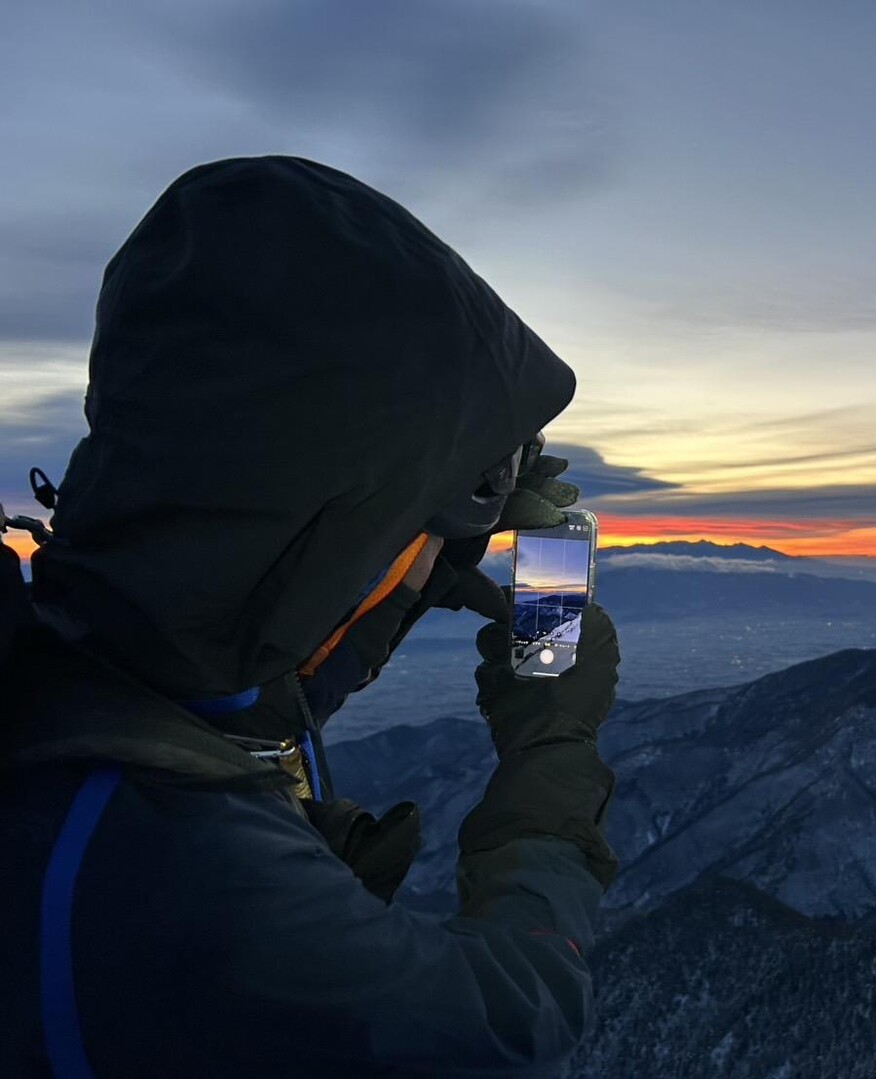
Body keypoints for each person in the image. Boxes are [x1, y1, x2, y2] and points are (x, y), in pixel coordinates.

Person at [0, 156, 621, 1077]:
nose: (428, 569)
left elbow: (255, 655)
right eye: (416, 538)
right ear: (334, 542)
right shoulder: (172, 858)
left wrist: (424, 556)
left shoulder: (82, 664)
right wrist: (550, 738)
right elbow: (503, 1027)